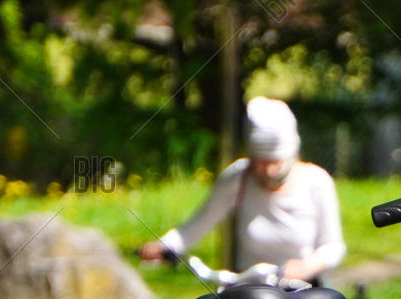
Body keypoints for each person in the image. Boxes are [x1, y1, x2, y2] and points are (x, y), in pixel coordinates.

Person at [139, 97, 345, 283]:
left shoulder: (316, 182)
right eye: (261, 162)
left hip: (301, 291)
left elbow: (333, 246)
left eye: (275, 162)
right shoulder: (239, 178)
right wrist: (163, 246)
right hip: (250, 291)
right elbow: (197, 225)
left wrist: (305, 267)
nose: (268, 170)